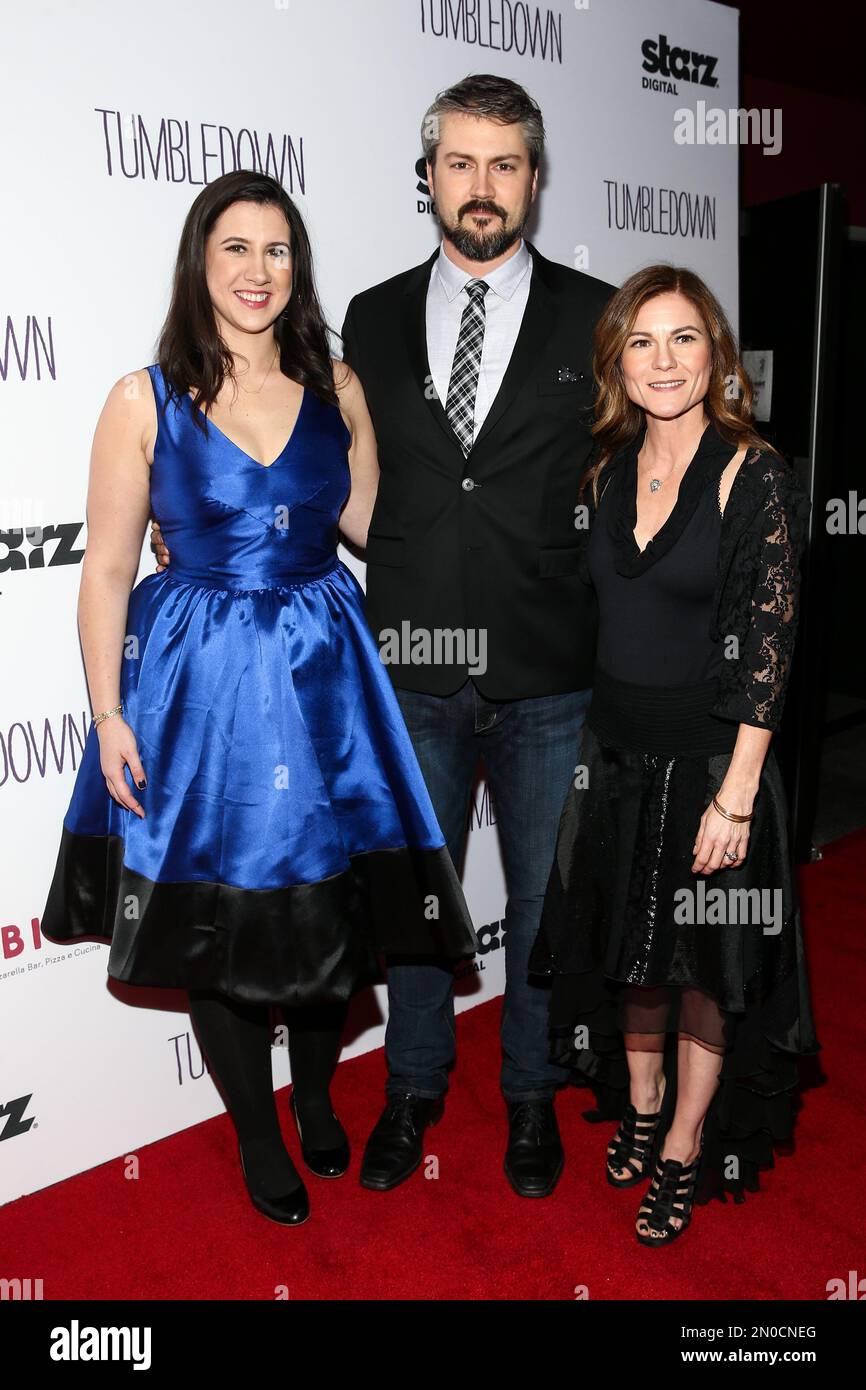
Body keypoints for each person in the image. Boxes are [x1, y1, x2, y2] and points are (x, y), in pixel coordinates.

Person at [154, 76, 615, 1198]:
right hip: (405, 664)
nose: (480, 186)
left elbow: (628, 484)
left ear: (534, 181)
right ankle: (411, 1088)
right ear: (428, 178)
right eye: (459, 163)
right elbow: (345, 490)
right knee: (412, 900)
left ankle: (526, 1095)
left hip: (550, 669)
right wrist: (215, 532)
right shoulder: (362, 316)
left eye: (503, 165)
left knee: (545, 906)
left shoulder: (595, 314)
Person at [41, 170, 478, 1228]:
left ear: (298, 268)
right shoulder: (142, 398)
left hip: (323, 681)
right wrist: (107, 713)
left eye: (276, 250)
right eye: (235, 247)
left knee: (328, 916)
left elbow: (378, 528)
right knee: (219, 931)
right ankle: (254, 1133)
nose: (256, 270)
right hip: (200, 692)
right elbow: (105, 569)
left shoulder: (337, 385)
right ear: (201, 260)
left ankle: (319, 1094)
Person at [529, 265, 820, 1246]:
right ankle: (643, 1104)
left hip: (709, 772)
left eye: (683, 338)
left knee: (702, 970)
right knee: (632, 959)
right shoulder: (604, 471)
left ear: (715, 355)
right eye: (641, 341)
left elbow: (768, 650)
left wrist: (735, 798)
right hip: (611, 761)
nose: (663, 360)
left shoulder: (752, 473)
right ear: (617, 359)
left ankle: (685, 1142)